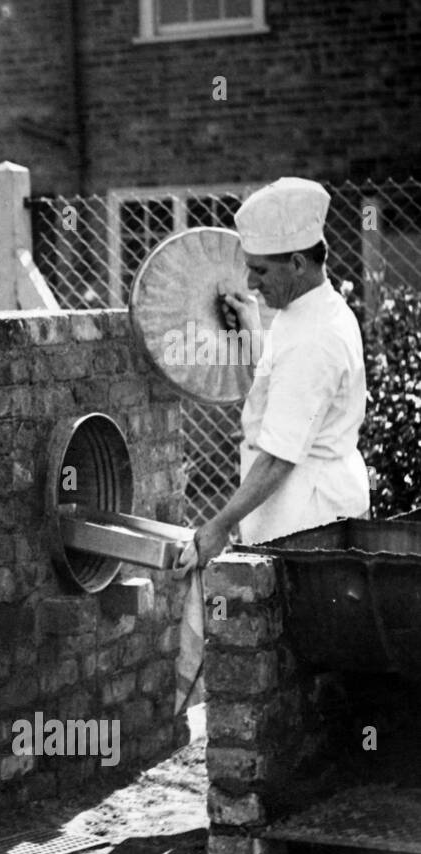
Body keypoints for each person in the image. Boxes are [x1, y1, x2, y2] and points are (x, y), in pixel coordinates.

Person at [175, 177, 369, 575]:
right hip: (311, 512)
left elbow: (278, 459)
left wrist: (218, 526)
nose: (250, 283)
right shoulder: (311, 310)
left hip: (307, 523)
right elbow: (288, 391)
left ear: (297, 263)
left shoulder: (313, 338)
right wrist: (250, 332)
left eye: (259, 270)